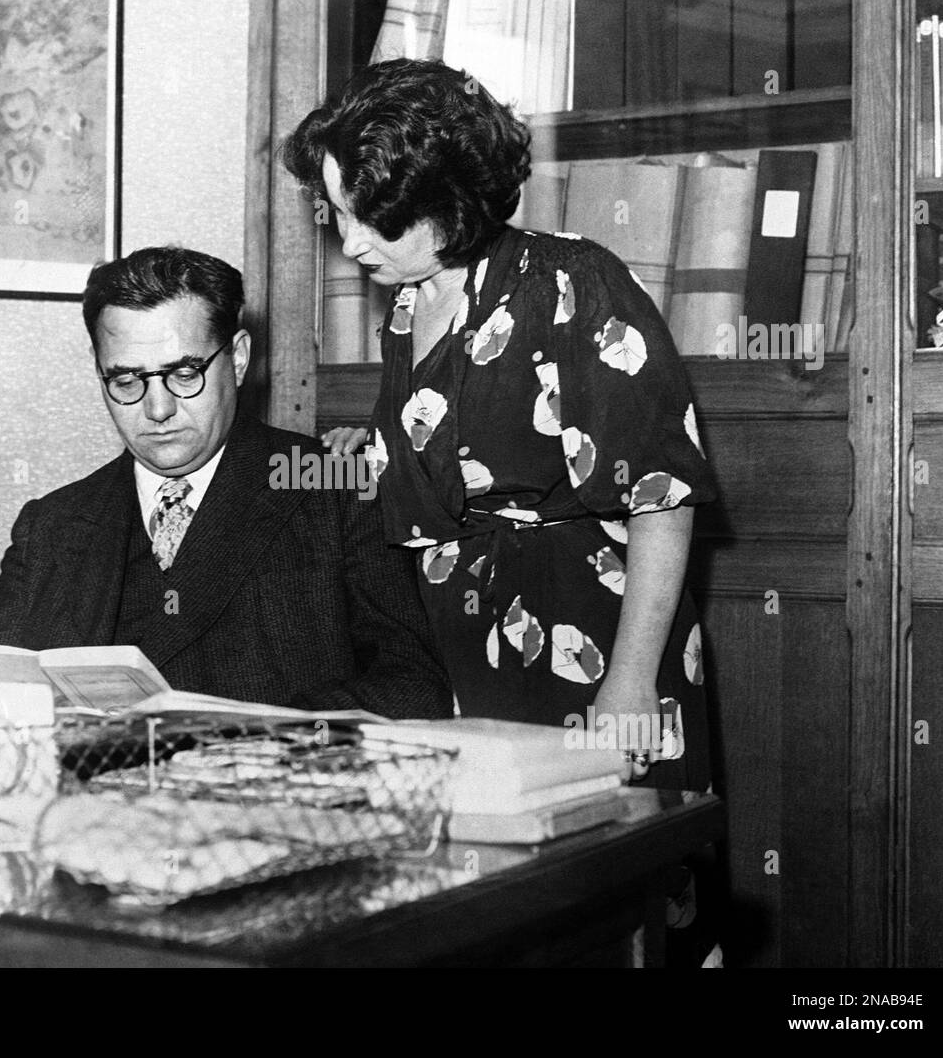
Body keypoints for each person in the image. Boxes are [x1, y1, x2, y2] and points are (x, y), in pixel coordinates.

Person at [284, 59, 719, 789]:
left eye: (377, 219)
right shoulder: (407, 305)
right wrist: (375, 451)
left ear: (449, 202)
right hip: (460, 645)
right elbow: (458, 448)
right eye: (341, 213)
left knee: (602, 877)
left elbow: (661, 497)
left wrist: (631, 682)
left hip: (594, 640)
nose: (352, 243)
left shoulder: (573, 282)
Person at [0, 245, 453, 720]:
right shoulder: (50, 527)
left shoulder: (336, 487)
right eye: (126, 382)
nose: (158, 410)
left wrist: (241, 734)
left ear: (239, 358)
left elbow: (413, 686)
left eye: (185, 374)